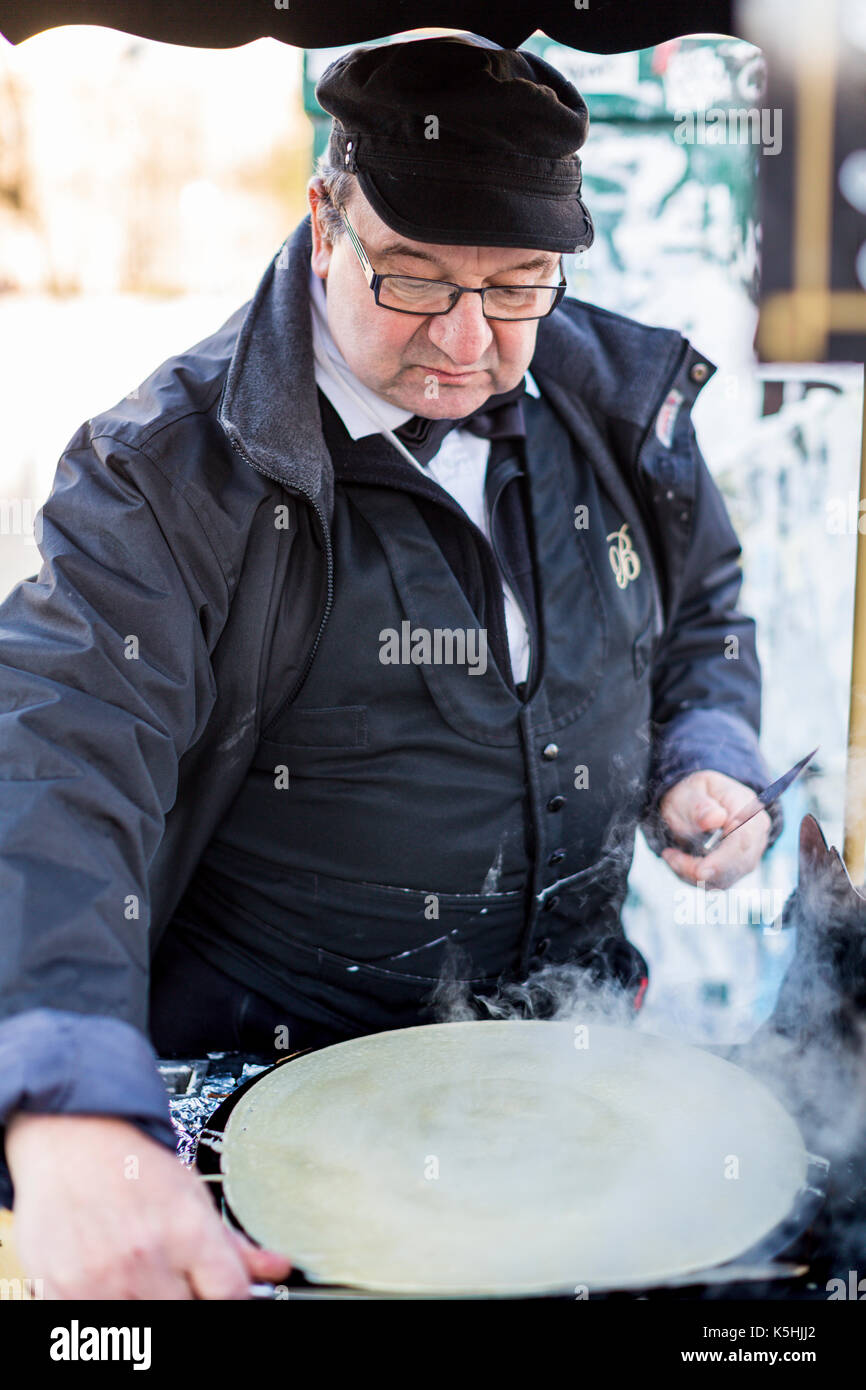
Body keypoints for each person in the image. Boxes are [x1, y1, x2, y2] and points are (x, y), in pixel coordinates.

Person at [0, 35, 779, 1299]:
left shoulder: (620, 402)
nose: (466, 344)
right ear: (324, 221)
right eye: (413, 280)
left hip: (571, 1094)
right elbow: (52, 758)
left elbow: (704, 611)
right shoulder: (162, 475)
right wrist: (66, 1096)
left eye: (516, 285)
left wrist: (706, 751)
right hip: (270, 1112)